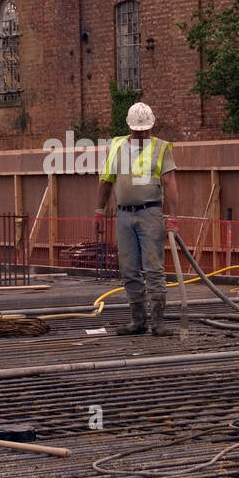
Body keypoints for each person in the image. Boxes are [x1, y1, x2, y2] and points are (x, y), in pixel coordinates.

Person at [95, 102, 181, 336]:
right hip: (123, 214)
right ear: (129, 128)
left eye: (145, 131)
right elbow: (106, 181)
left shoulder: (161, 148)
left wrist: (173, 217)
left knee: (154, 269)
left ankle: (159, 323)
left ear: (151, 127)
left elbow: (170, 183)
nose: (141, 135)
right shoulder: (116, 146)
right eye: (137, 131)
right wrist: (99, 211)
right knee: (129, 269)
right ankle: (138, 320)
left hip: (150, 212)